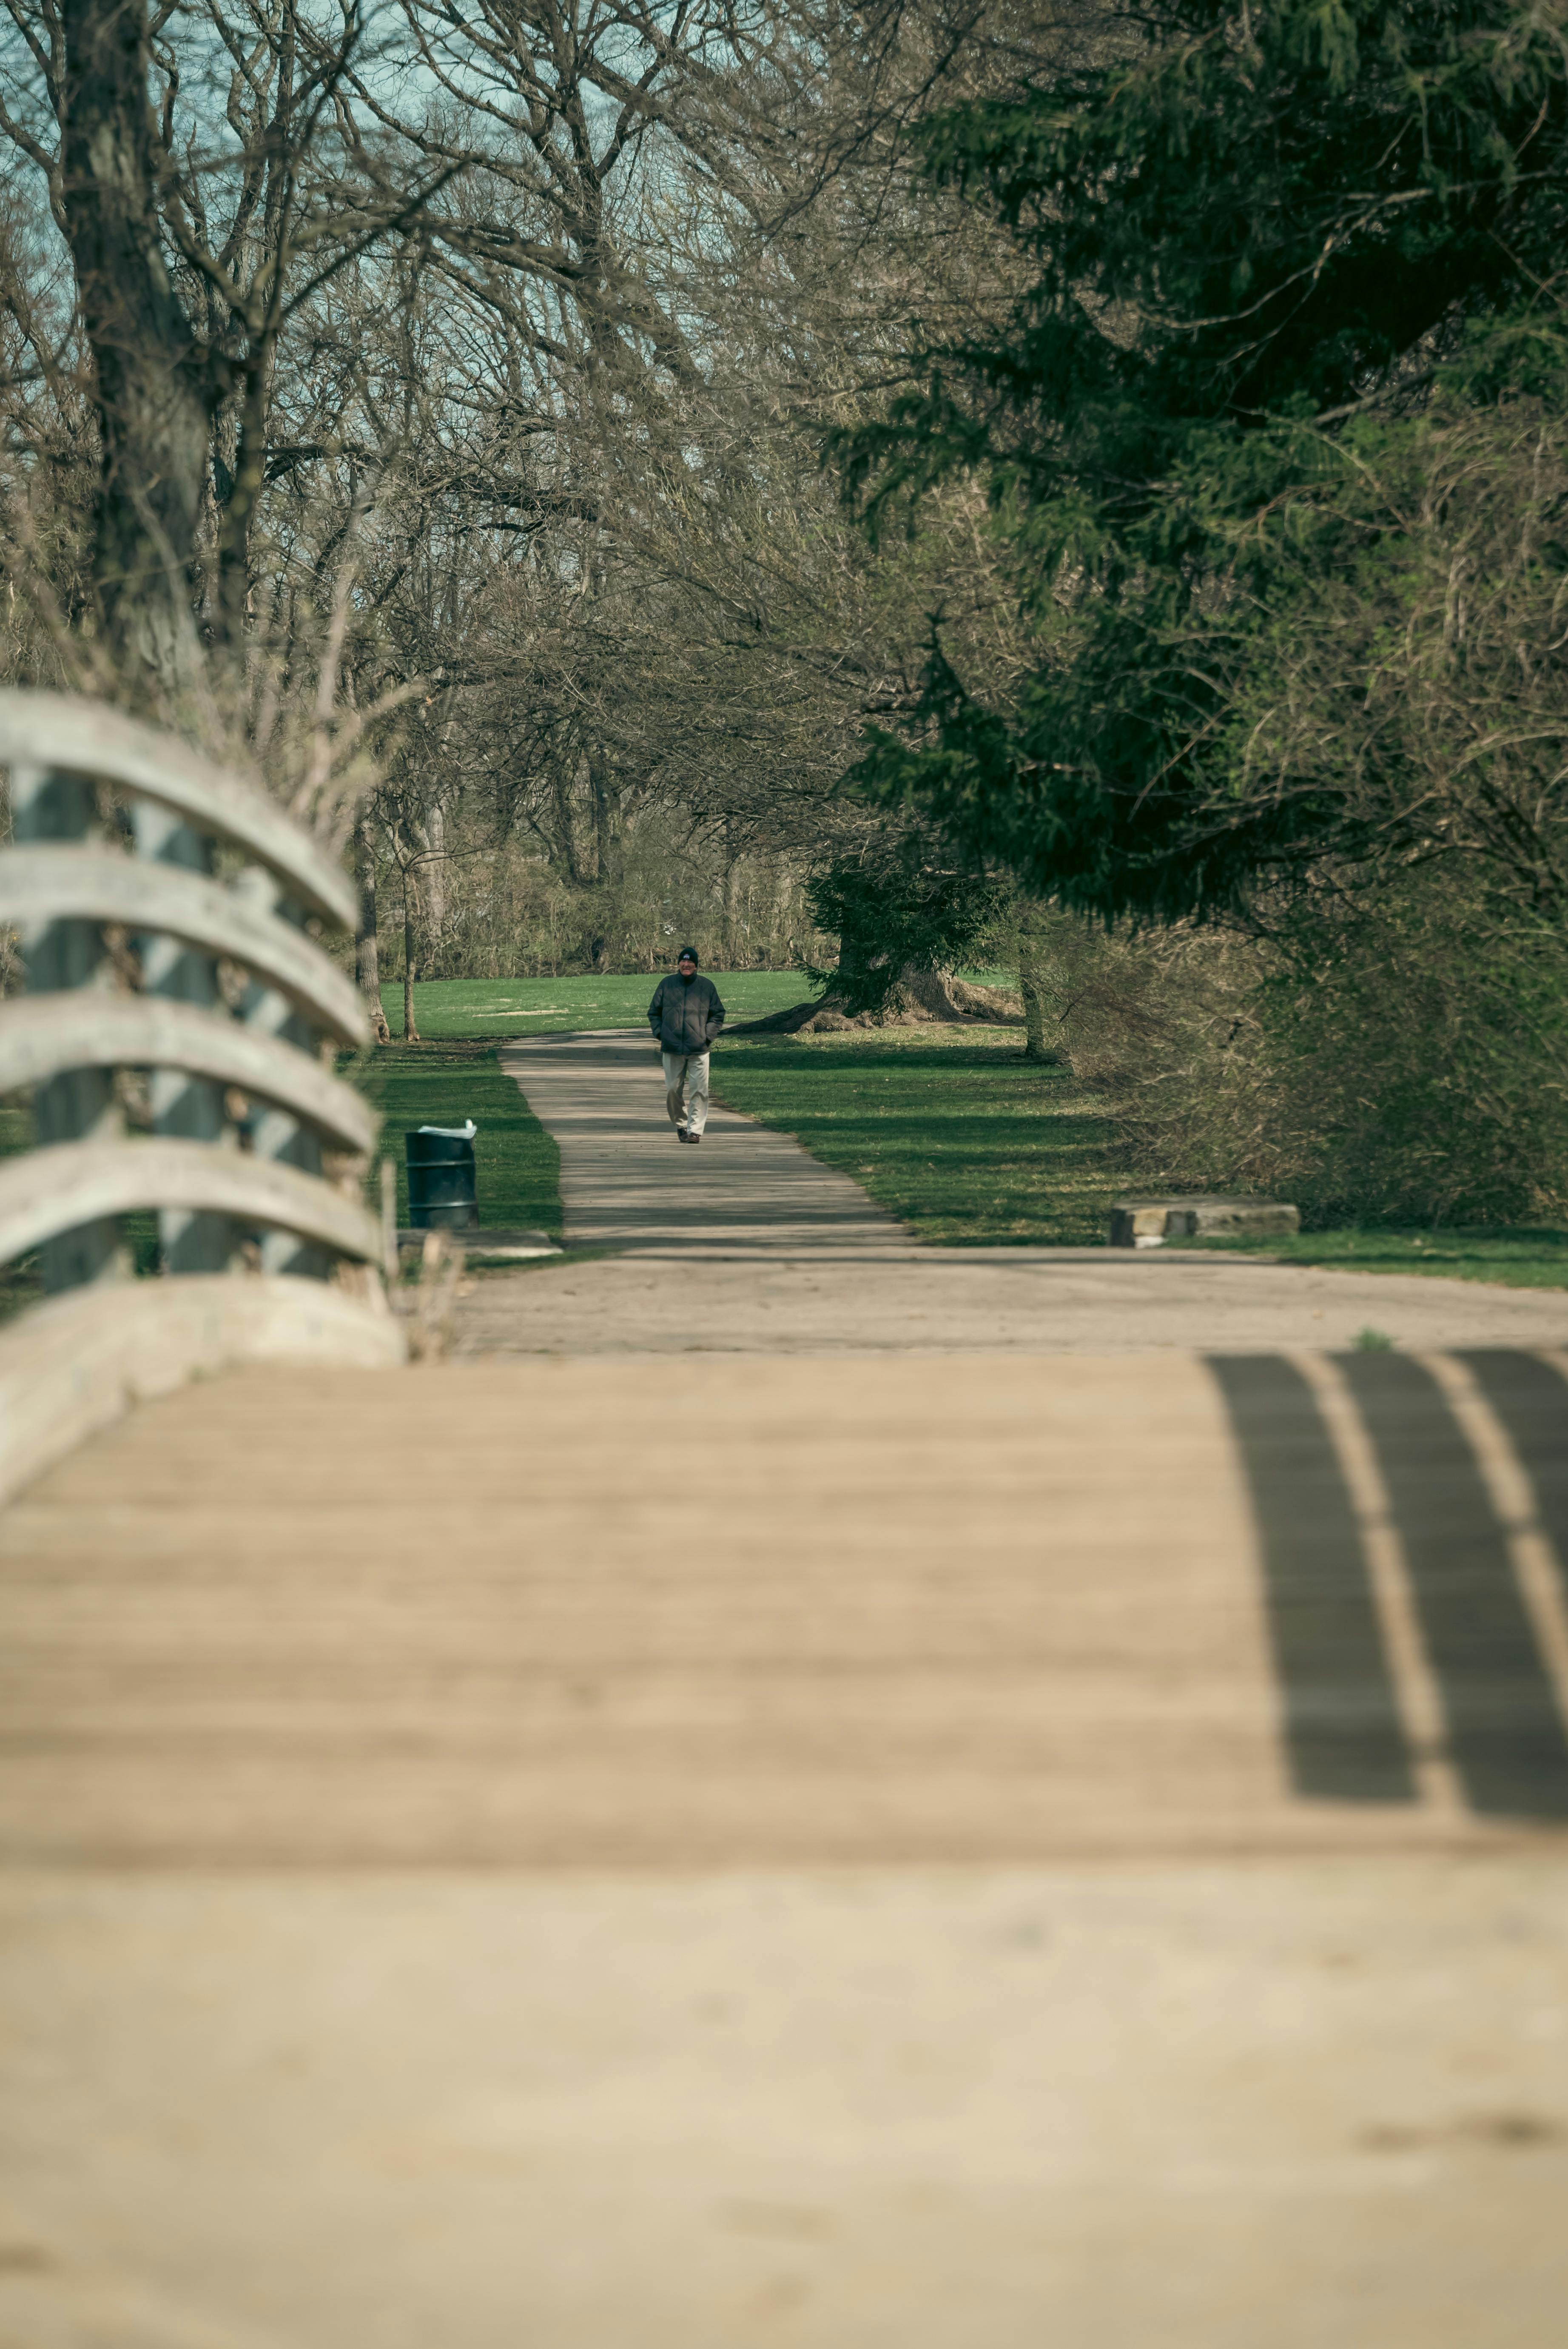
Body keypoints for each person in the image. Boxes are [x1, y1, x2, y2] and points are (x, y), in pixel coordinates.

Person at [648, 947, 725, 1143]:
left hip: (699, 1049)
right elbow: (654, 1012)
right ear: (679, 964)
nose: (686, 965)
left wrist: (707, 1037)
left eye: (690, 962)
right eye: (683, 961)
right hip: (672, 1048)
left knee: (700, 1090)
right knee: (673, 1090)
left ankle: (695, 1131)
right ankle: (681, 1125)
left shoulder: (707, 986)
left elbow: (718, 1013)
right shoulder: (667, 984)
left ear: (696, 966)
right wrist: (660, 1033)